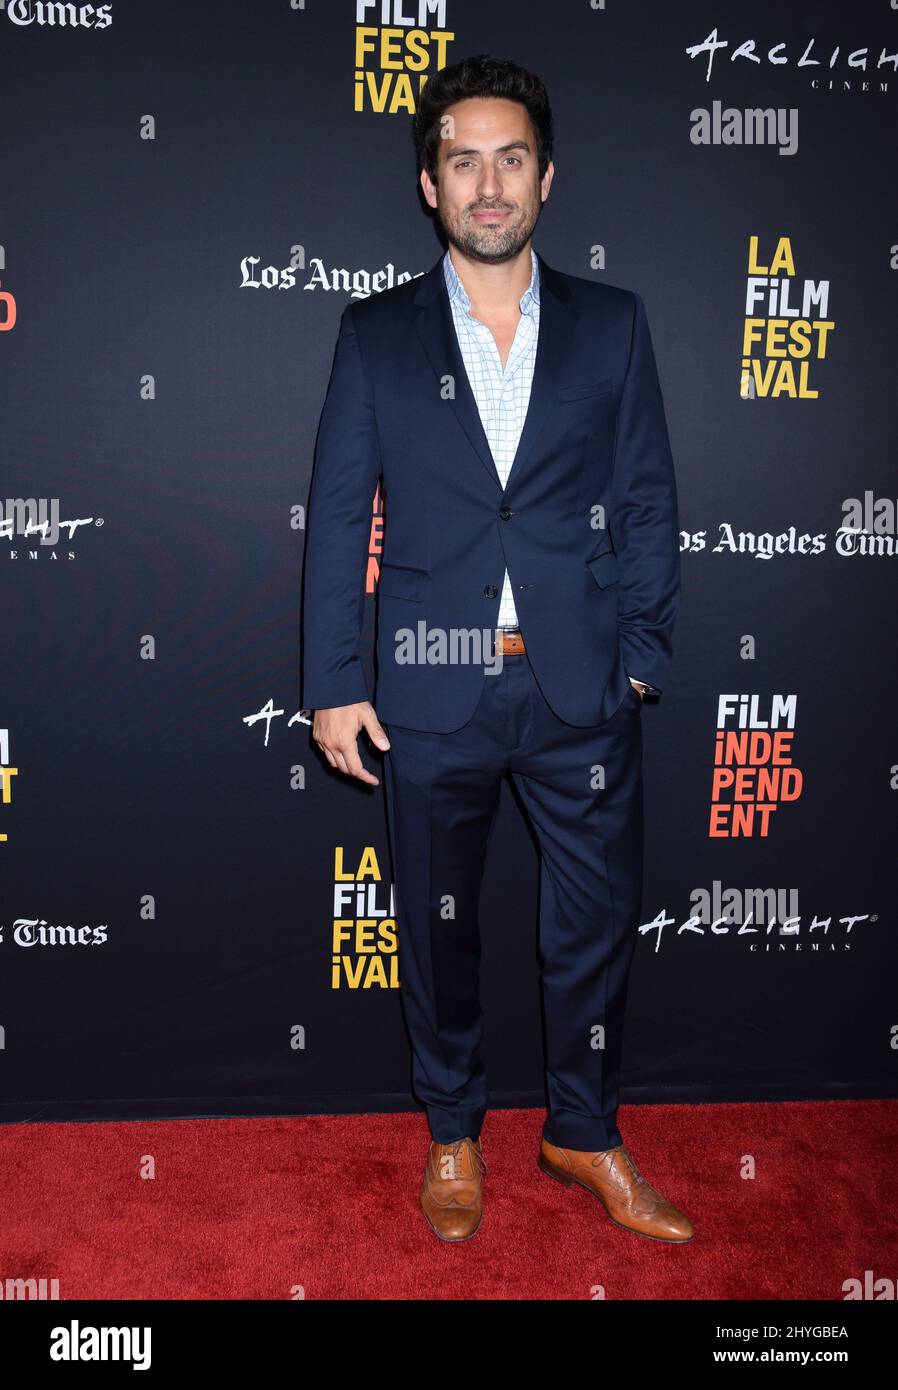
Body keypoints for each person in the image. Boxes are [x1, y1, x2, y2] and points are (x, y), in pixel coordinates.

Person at [301, 54, 692, 1245]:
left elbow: (646, 502)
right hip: (428, 686)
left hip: (578, 687)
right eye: (462, 160)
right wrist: (331, 685)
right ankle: (454, 1132)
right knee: (440, 930)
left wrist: (640, 653)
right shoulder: (373, 333)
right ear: (430, 183)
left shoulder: (611, 325)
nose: (487, 183)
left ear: (545, 176)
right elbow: (336, 511)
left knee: (591, 927)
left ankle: (583, 1128)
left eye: (509, 159)